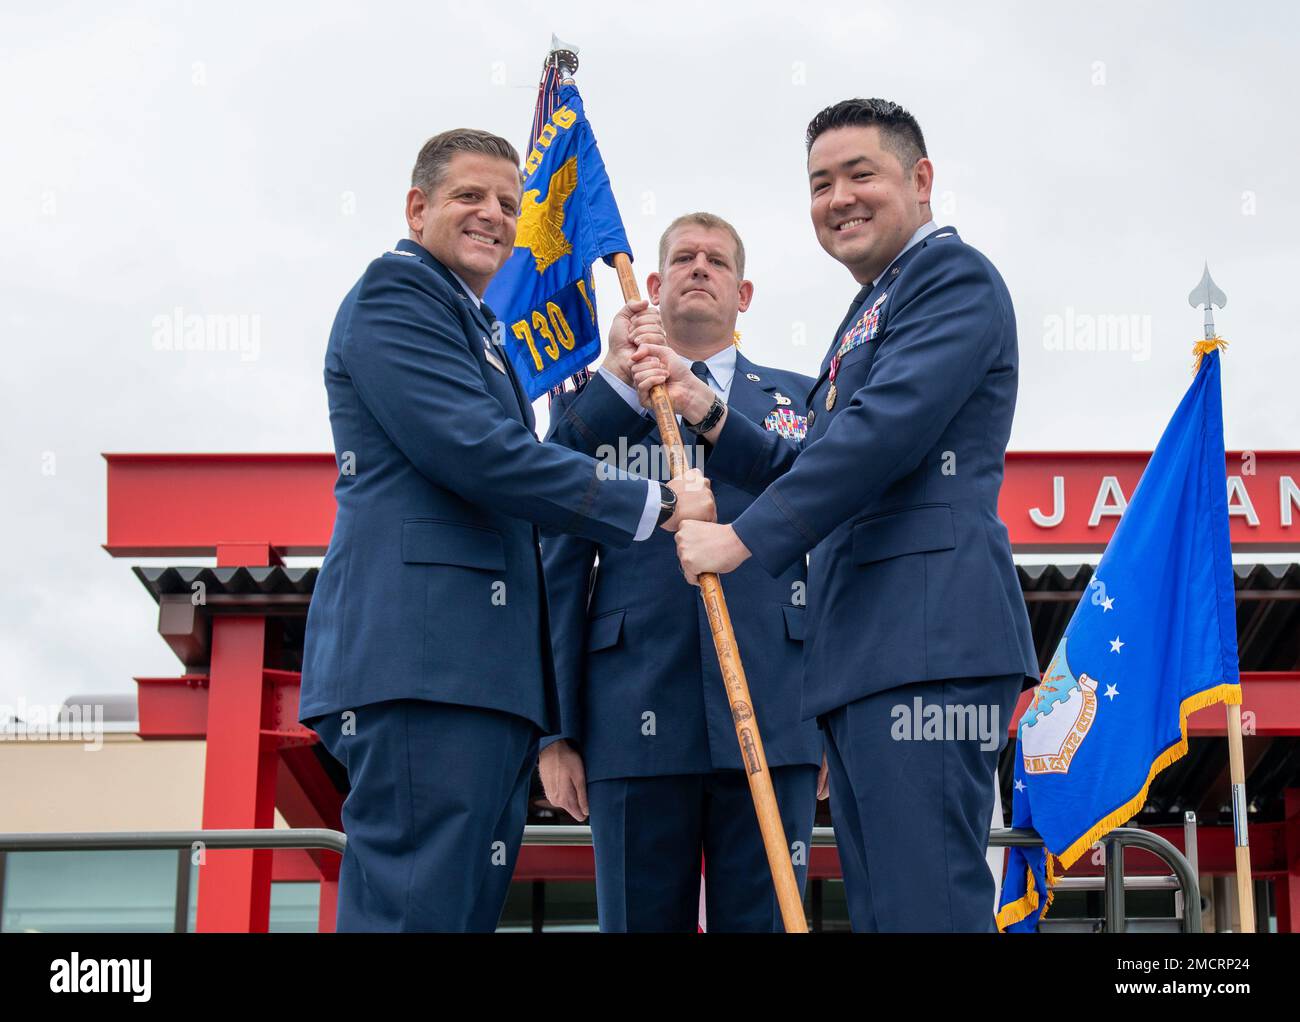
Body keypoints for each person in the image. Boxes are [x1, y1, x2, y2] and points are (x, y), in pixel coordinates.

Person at [298, 128, 714, 932]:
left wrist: (617, 383)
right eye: (468, 197)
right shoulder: (398, 295)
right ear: (417, 207)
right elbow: (479, 454)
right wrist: (659, 504)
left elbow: (520, 457)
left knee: (455, 911)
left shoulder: (473, 323)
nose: (492, 216)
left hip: (479, 679)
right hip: (424, 665)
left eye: (507, 205)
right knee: (417, 909)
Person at [640, 99, 1038, 932]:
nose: (839, 198)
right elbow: (817, 456)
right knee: (889, 910)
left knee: (926, 906)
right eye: (821, 182)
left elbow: (878, 435)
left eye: (862, 174)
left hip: (928, 647)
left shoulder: (950, 280)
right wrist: (706, 408)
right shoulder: (869, 310)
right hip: (866, 656)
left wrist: (740, 540)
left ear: (921, 180)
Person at [539, 213, 825, 931]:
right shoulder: (598, 403)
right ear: (655, 287)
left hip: (777, 708)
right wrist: (555, 733)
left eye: (718, 261)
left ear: (744, 292)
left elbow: (835, 553)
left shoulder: (800, 400)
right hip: (631, 711)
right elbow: (557, 560)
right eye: (684, 259)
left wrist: (829, 719)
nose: (701, 268)